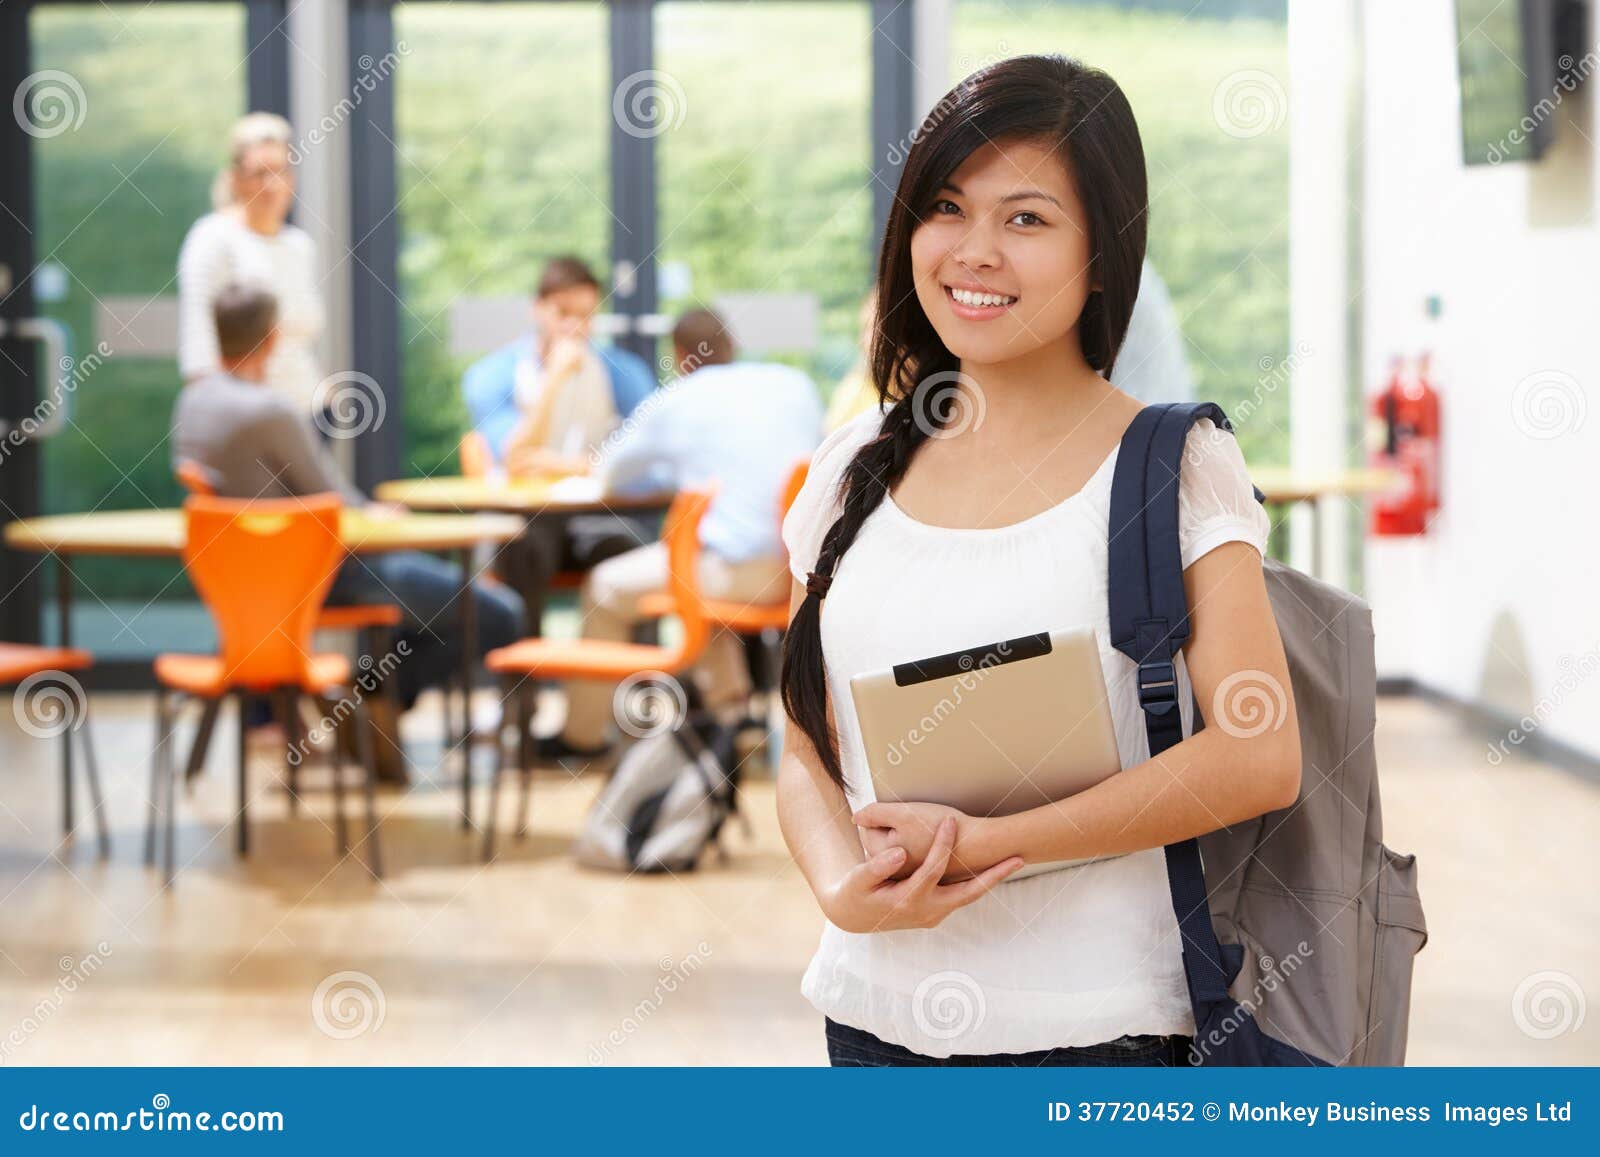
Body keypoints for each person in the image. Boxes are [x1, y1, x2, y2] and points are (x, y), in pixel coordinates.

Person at [775, 56, 1300, 1067]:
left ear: (1102, 256)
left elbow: (1255, 751)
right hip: (872, 1011)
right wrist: (841, 883)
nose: (974, 252)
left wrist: (986, 844)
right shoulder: (851, 464)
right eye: (947, 207)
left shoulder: (1175, 463)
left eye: (1025, 219)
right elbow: (798, 732)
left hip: (1098, 1031)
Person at [171, 284, 524, 779]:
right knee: (499, 614)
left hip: (242, 588)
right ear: (273, 339)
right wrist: (376, 514)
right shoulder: (269, 412)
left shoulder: (192, 404)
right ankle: (374, 696)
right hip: (320, 577)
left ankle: (369, 704)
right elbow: (329, 499)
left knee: (416, 614)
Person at [536, 309, 825, 765]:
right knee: (694, 577)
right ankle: (734, 720)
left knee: (606, 587)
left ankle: (582, 737)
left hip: (733, 570)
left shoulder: (679, 397)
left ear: (679, 356)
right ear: (732, 345)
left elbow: (609, 472)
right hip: (801, 572)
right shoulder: (794, 385)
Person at [462, 256, 659, 634]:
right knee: (523, 549)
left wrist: (561, 464)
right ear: (538, 309)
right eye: (563, 312)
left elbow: (646, 455)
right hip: (525, 522)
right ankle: (524, 686)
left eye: (586, 315)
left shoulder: (622, 372)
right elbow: (513, 458)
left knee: (633, 549)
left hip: (594, 520)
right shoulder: (492, 376)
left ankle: (634, 681)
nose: (575, 326)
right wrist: (554, 379)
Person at [177, 112, 325, 422]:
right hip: (247, 420)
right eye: (260, 173)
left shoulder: (298, 245)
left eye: (281, 171)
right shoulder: (214, 239)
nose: (271, 185)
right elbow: (199, 348)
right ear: (236, 179)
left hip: (306, 415)